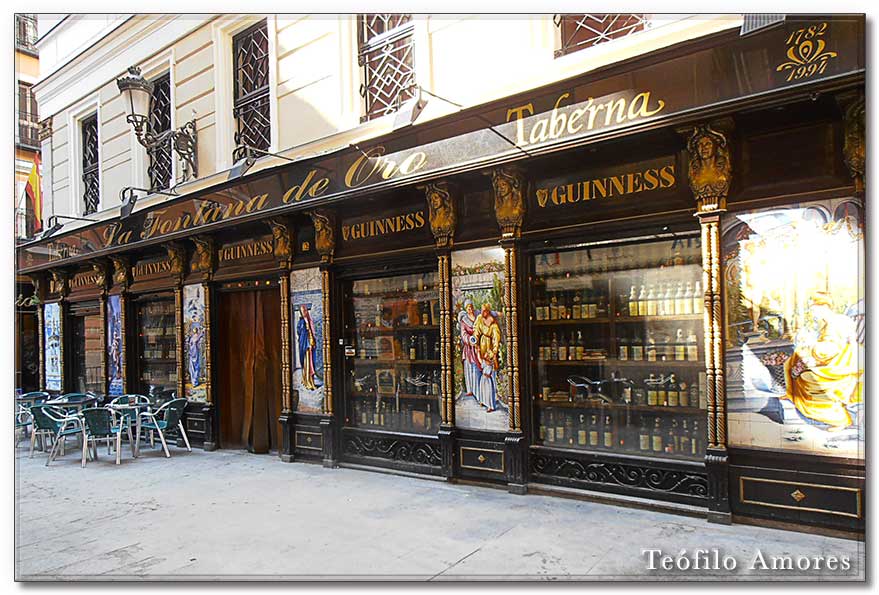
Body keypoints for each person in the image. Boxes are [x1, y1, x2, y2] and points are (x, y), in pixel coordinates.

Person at [784, 292, 863, 431]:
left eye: (813, 308)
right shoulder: (830, 323)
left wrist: (811, 346)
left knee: (807, 378)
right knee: (793, 360)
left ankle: (839, 419)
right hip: (841, 361)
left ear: (824, 306)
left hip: (843, 365)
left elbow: (830, 351)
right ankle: (792, 394)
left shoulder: (835, 323)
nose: (812, 312)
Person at [473, 303, 502, 412]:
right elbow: (476, 330)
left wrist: (494, 351)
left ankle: (492, 399)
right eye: (481, 310)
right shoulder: (479, 319)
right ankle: (483, 399)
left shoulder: (493, 324)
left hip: (489, 348)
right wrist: (475, 340)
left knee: (491, 374)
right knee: (482, 371)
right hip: (481, 346)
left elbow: (496, 338)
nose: (482, 312)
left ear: (488, 311)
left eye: (484, 311)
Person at [458, 299, 480, 402]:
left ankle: (477, 390)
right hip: (469, 348)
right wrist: (469, 339)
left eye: (471, 307)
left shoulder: (478, 317)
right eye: (468, 308)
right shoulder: (464, 320)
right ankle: (470, 389)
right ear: (466, 309)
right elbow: (463, 334)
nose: (470, 309)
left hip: (477, 346)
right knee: (469, 367)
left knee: (477, 367)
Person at [297, 304, 318, 390]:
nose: (304, 312)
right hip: (305, 346)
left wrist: (312, 339)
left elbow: (312, 332)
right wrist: (305, 330)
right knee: (308, 365)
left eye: (305, 310)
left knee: (312, 364)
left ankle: (311, 381)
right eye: (303, 311)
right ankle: (308, 382)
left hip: (310, 345)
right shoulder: (301, 322)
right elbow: (300, 333)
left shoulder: (309, 320)